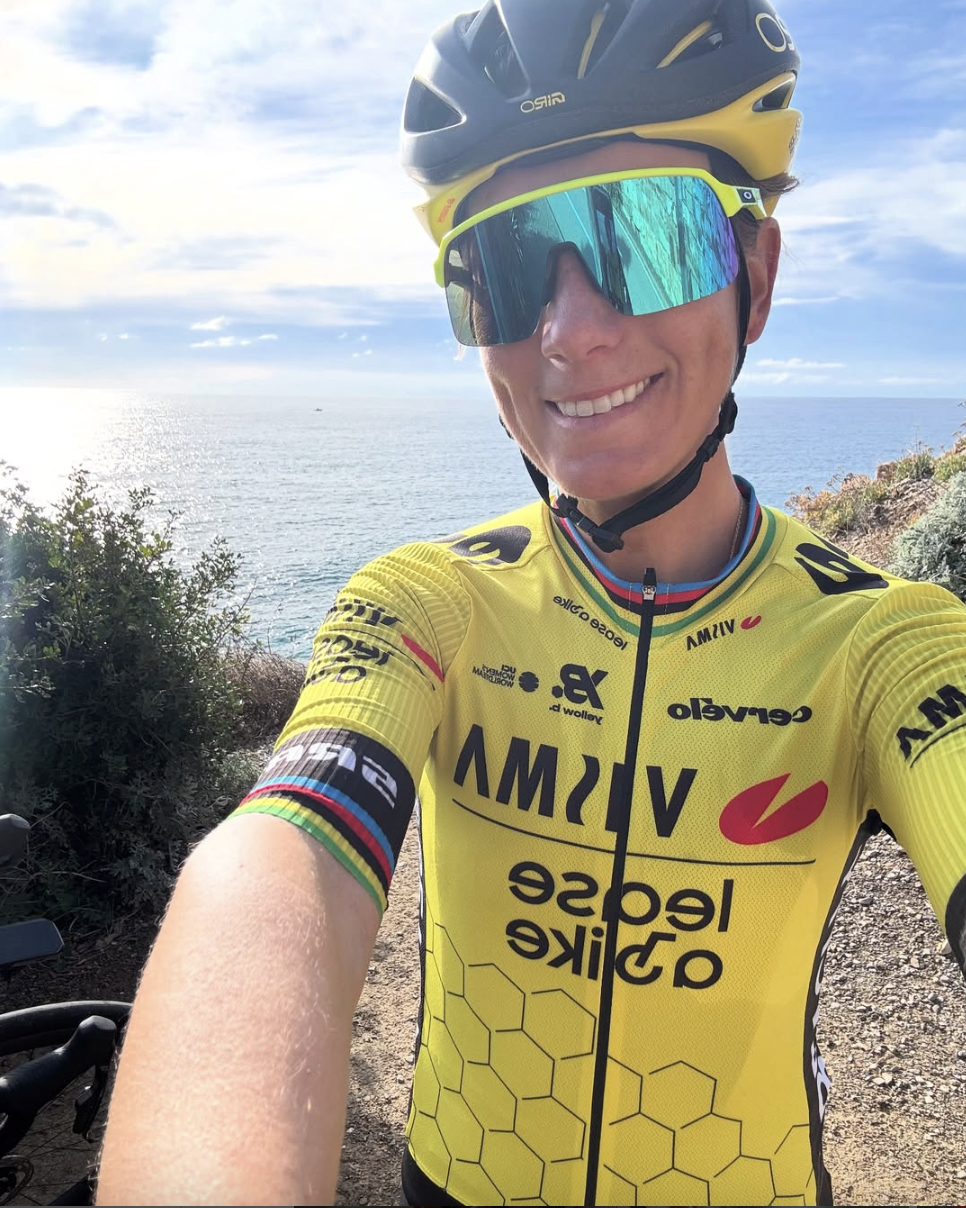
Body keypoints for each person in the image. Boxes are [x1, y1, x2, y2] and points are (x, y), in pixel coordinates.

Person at [96, 2, 966, 1205]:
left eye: (644, 236)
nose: (570, 330)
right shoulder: (429, 600)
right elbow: (280, 861)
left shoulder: (882, 641)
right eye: (503, 270)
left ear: (755, 276)